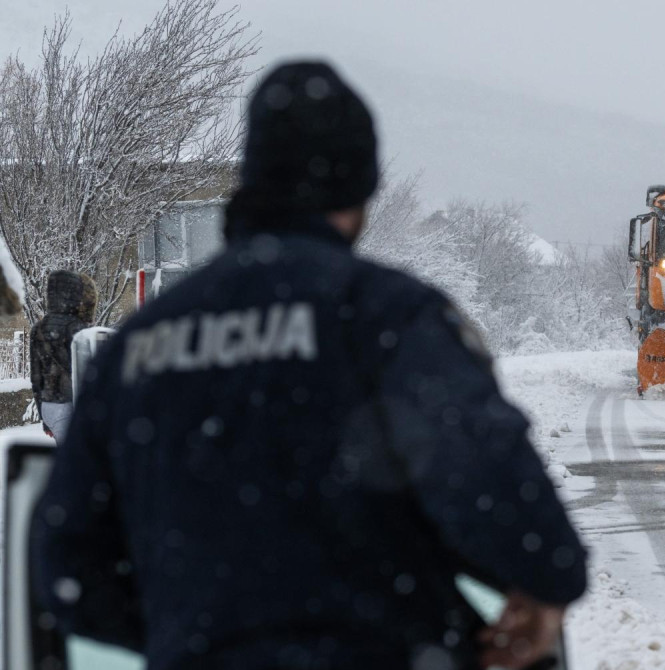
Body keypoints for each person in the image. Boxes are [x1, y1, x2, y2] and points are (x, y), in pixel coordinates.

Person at [32, 61, 586, 670]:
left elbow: (67, 565)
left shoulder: (138, 347)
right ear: (360, 186)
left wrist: (197, 631)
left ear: (254, 180)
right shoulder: (387, 316)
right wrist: (538, 590)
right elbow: (507, 502)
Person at [29, 270, 96, 444]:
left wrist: (44, 417)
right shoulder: (78, 327)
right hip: (70, 405)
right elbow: (85, 374)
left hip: (49, 406)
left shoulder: (38, 328)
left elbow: (36, 378)